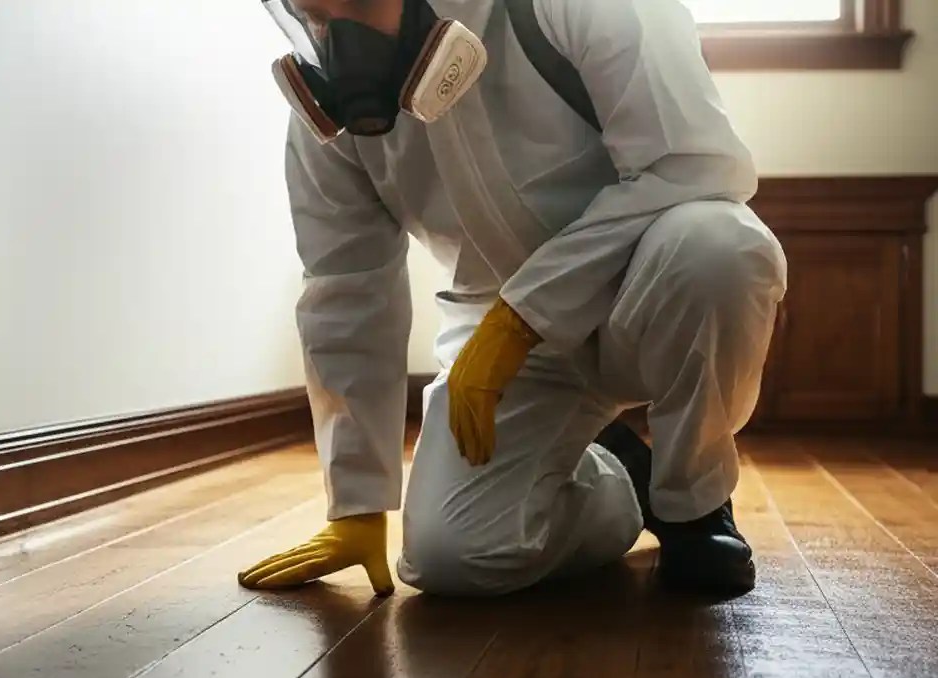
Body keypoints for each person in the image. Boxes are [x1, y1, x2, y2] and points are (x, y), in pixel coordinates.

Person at [238, 0, 787, 598]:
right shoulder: (335, 123)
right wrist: (356, 504)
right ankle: (625, 480)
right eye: (316, 16)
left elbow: (695, 167)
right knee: (453, 556)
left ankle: (693, 506)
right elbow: (348, 287)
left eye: (360, 4)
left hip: (647, 292)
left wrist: (521, 319)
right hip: (509, 348)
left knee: (721, 250)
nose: (340, 41)